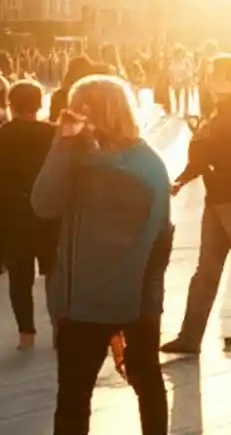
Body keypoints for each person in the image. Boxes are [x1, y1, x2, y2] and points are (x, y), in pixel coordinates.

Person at [32, 75, 172, 435]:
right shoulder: (150, 163)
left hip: (84, 302)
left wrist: (61, 147)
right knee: (147, 384)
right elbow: (161, 238)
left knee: (73, 401)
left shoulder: (87, 166)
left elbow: (43, 204)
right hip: (138, 296)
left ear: (90, 113)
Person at [163, 55, 231, 354]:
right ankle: (191, 336)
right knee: (211, 268)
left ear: (225, 78)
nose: (207, 81)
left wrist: (196, 147)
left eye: (211, 75)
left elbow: (206, 155)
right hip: (225, 199)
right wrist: (184, 177)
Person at [0, 80, 56, 349]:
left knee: (20, 278)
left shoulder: (3, 135)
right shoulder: (53, 135)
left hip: (13, 217)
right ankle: (59, 328)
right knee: (55, 275)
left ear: (11, 104)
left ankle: (26, 334)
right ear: (39, 103)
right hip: (49, 214)